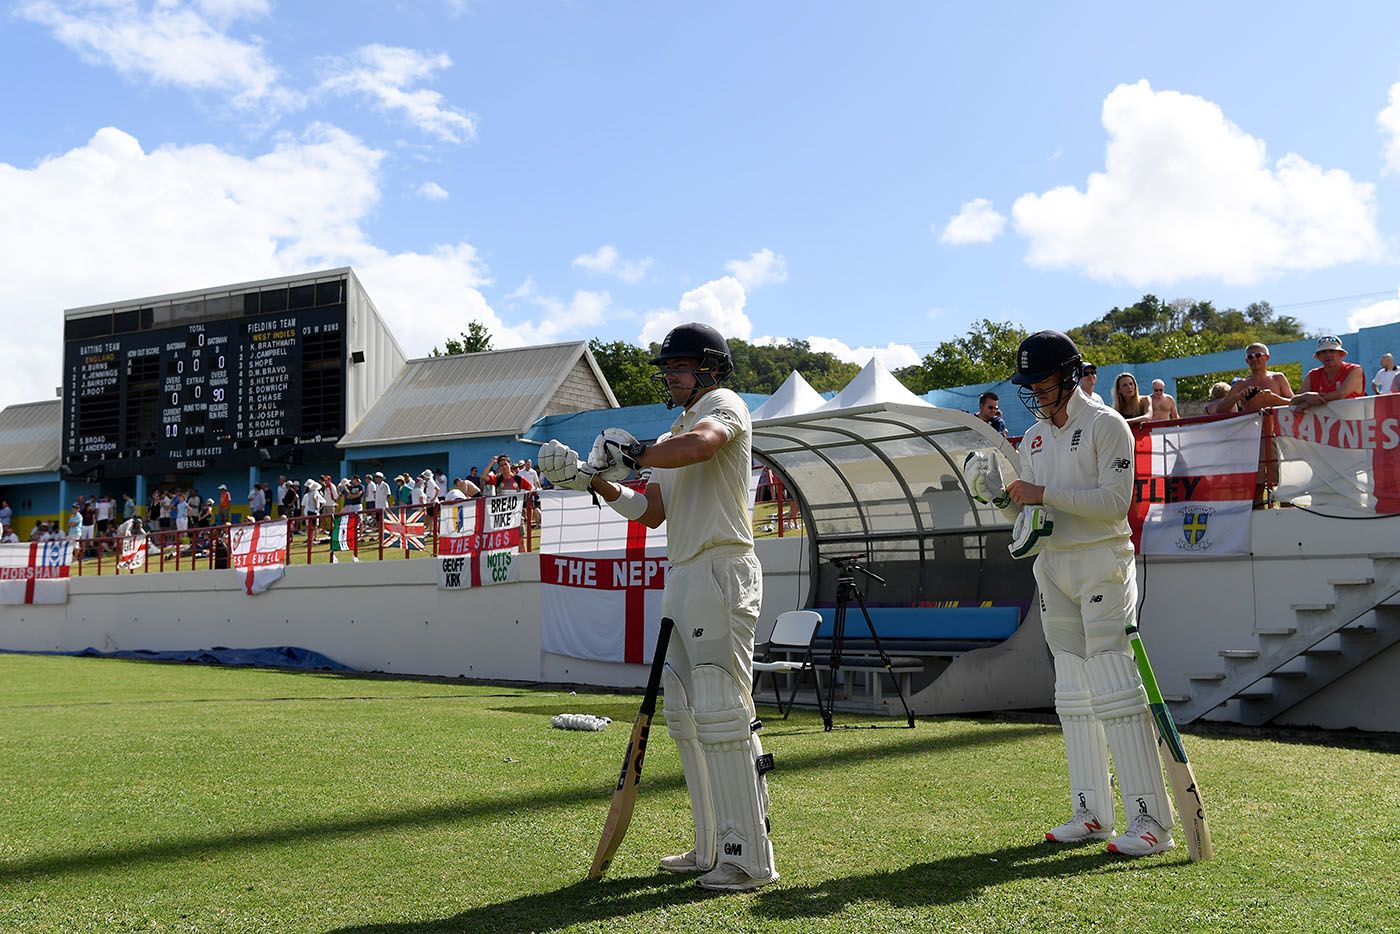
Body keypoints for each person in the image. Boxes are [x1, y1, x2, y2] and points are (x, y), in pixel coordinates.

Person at [539, 321, 777, 891]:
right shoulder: (678, 425)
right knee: (686, 716)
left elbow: (706, 445)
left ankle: (748, 857)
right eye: (667, 368)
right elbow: (651, 511)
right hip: (686, 572)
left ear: (710, 368)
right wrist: (592, 480)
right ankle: (710, 846)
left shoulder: (724, 406)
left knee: (721, 709)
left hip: (722, 566)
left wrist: (638, 452)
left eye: (679, 367)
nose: (670, 376)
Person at [975, 330, 1175, 856]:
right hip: (1053, 566)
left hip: (1101, 562)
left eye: (1041, 381)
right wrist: (998, 497)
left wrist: (1041, 492)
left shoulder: (1107, 425)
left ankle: (1151, 822)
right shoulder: (1037, 437)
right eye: (1029, 384)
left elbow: (1112, 503)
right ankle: (1092, 813)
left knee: (1113, 683)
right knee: (1072, 694)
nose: (1034, 392)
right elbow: (1032, 513)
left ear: (1067, 375)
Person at [1211, 343, 1294, 414]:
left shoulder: (1278, 378)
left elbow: (1295, 402)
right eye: (1250, 357)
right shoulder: (1241, 384)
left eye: (1258, 355)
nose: (1254, 359)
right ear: (1247, 361)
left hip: (1278, 429)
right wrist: (1238, 397)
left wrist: (1275, 399)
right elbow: (1219, 410)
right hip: (1253, 430)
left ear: (1267, 357)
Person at [1293, 335, 1365, 410]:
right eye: (1323, 352)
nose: (1328, 355)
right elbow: (1293, 400)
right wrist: (1306, 396)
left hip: (1353, 420)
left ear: (1340, 354)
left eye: (1332, 351)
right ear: (1318, 357)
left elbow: (1341, 393)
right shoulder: (1313, 374)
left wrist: (1308, 403)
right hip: (1322, 421)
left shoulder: (1354, 369)